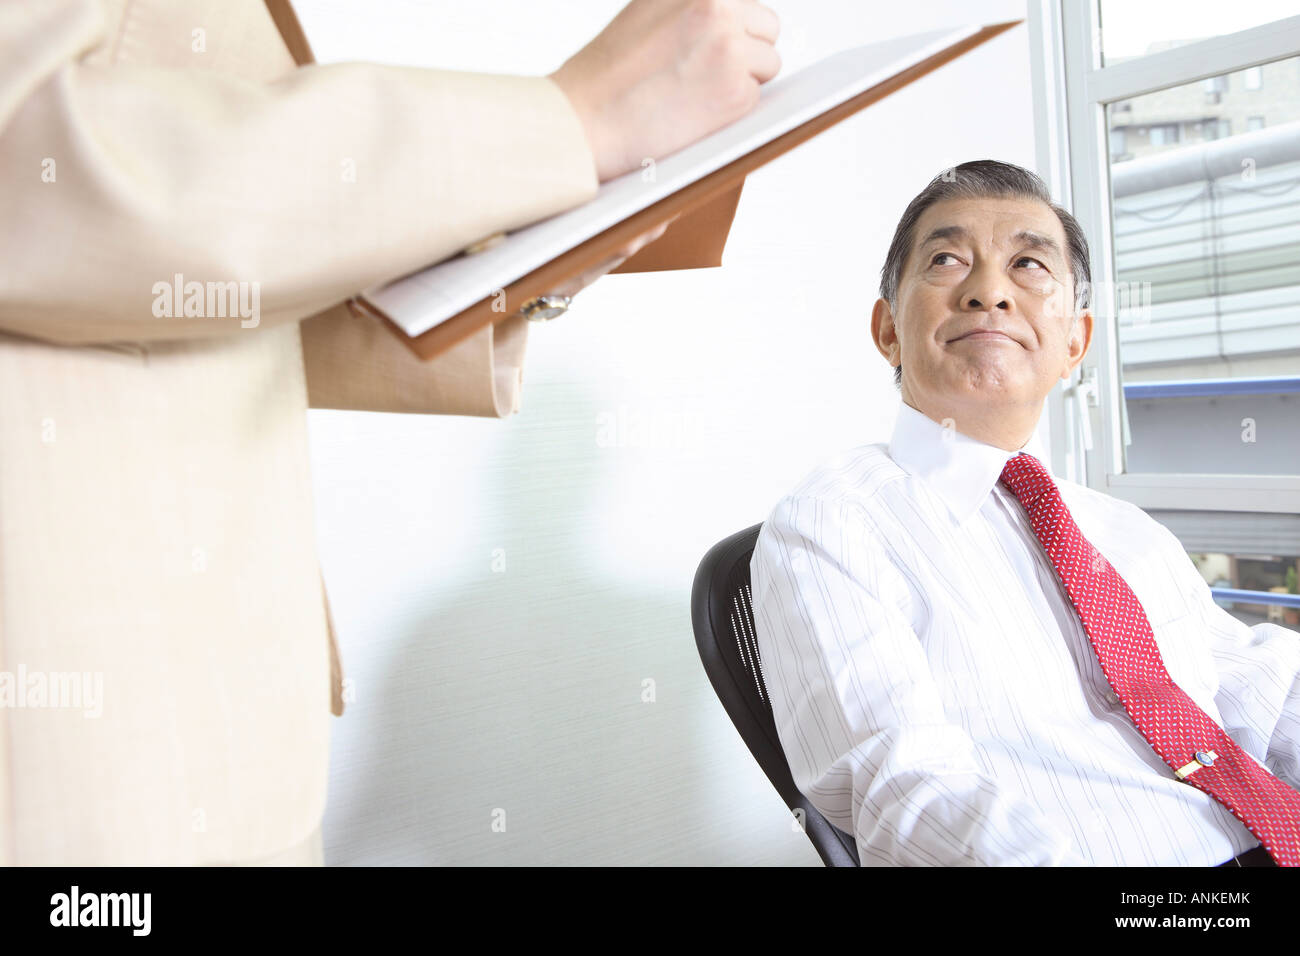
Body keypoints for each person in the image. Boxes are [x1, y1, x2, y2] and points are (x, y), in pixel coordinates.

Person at [0, 0, 780, 865]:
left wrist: (516, 263)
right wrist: (564, 121)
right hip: (88, 760)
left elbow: (184, 285)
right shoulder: (450, 640)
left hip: (218, 735)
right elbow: (22, 163)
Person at [749, 159, 1300, 866]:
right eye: (947, 260)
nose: (988, 293)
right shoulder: (830, 526)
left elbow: (1248, 684)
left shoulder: (1124, 531)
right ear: (887, 330)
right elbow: (905, 788)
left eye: (1030, 265)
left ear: (1075, 341)